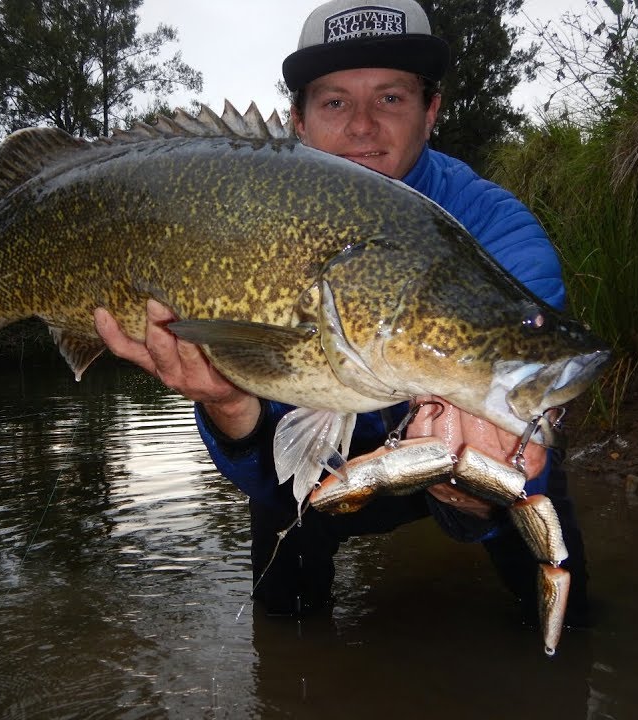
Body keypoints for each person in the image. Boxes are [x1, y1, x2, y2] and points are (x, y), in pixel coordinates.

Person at [93, 0, 590, 628]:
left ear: (431, 111)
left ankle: (563, 651)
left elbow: (528, 350)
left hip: (442, 451)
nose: (361, 126)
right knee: (285, 606)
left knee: (555, 571)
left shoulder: (496, 226)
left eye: (390, 98)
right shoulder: (247, 210)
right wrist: (229, 406)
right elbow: (260, 466)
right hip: (316, 453)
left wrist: (478, 482)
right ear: (297, 121)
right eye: (334, 102)